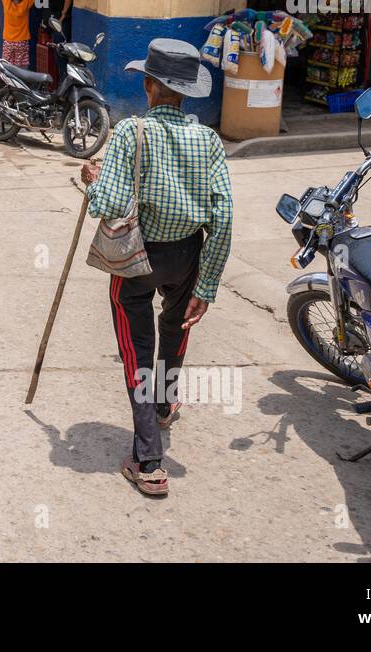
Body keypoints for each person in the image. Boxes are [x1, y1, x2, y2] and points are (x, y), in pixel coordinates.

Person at [80, 38, 233, 497]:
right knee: (176, 328)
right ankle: (164, 404)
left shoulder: (131, 132)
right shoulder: (207, 140)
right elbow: (222, 215)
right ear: (184, 92)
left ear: (149, 86)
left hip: (136, 258)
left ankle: (148, 459)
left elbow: (106, 203)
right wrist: (207, 284)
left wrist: (92, 181)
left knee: (137, 349)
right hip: (188, 256)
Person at [1, 0, 34, 68]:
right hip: (22, 41)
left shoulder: (7, 4)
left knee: (6, 67)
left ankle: (8, 83)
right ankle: (19, 84)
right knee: (21, 68)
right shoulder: (25, 4)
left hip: (8, 41)